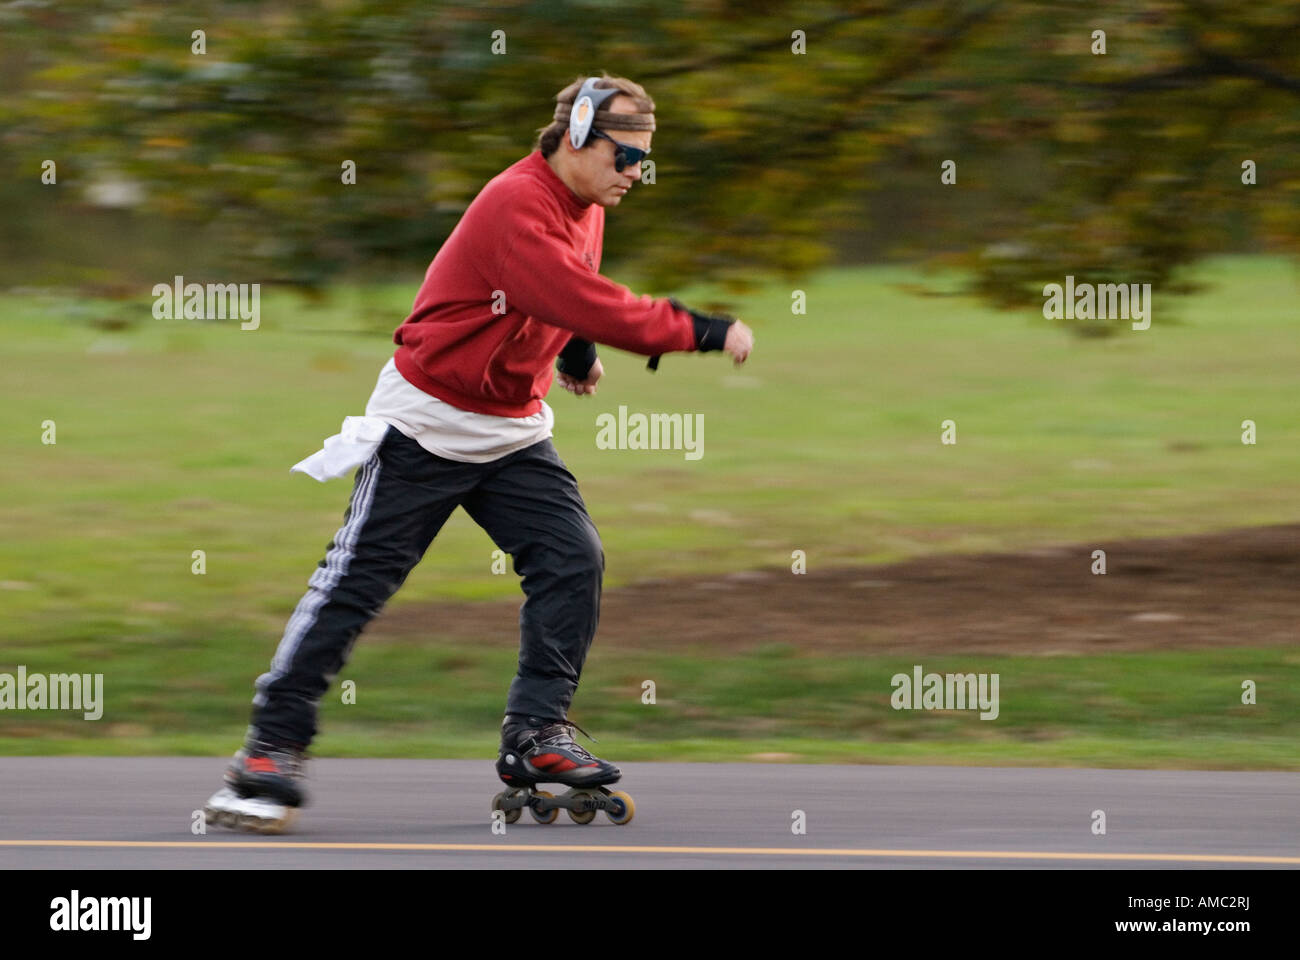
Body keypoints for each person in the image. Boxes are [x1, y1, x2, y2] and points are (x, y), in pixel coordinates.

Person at [203, 73, 755, 832]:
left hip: (509, 429)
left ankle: (537, 735)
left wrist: (573, 354)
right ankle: (268, 748)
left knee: (573, 560)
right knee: (355, 584)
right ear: (577, 134)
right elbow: (572, 289)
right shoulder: (516, 203)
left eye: (645, 161)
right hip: (426, 423)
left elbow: (568, 289)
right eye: (626, 156)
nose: (637, 174)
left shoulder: (585, 204)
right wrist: (700, 329)